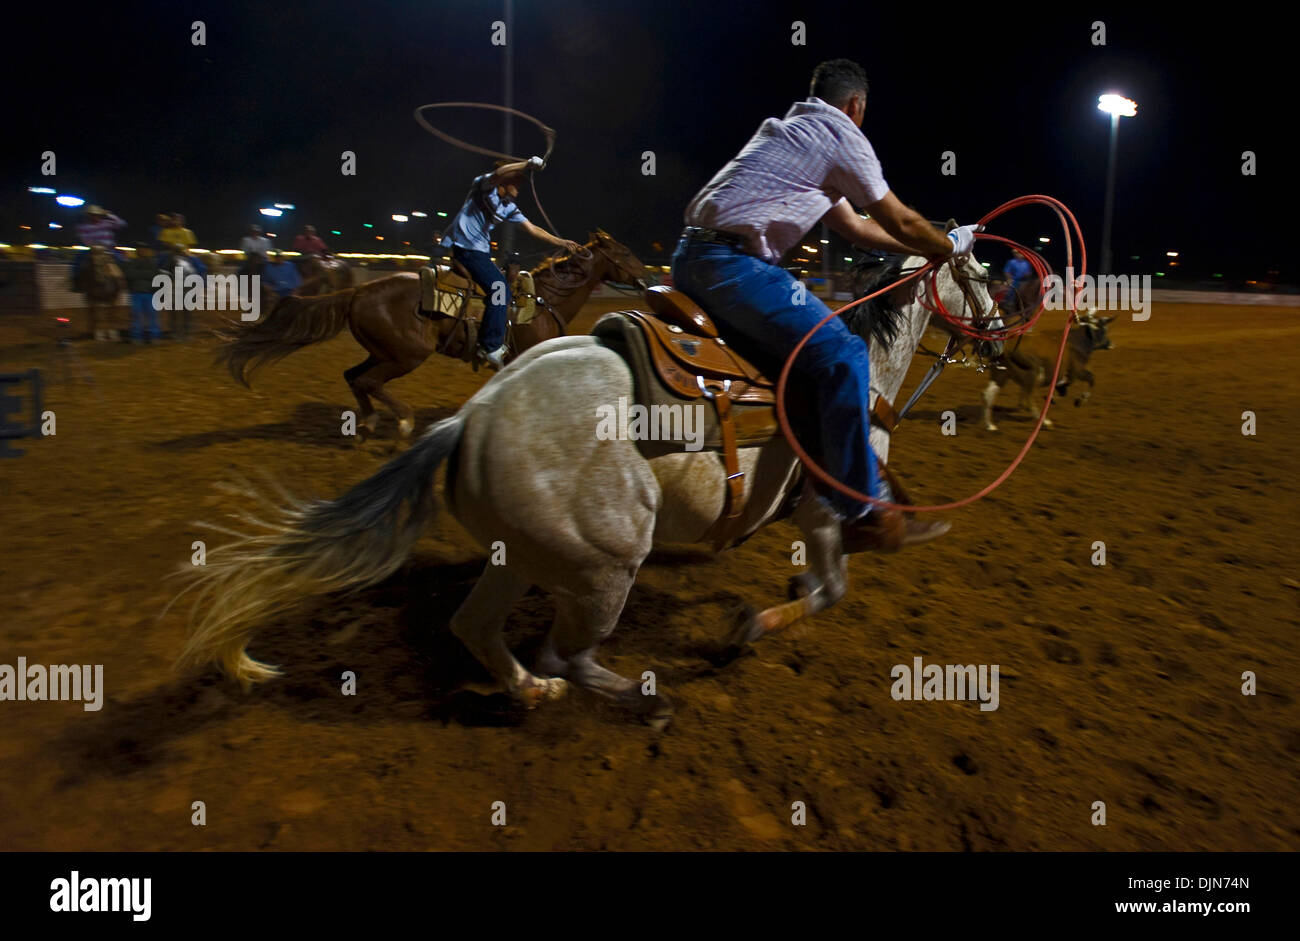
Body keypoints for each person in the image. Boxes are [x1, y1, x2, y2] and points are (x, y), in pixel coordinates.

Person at [671, 58, 981, 553]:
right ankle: (862, 509)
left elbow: (859, 228)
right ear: (856, 105)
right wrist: (948, 245)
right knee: (845, 353)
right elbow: (898, 219)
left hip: (689, 258)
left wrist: (932, 245)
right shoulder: (841, 135)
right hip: (732, 265)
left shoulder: (792, 136)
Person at [438, 157, 581, 369]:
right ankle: (490, 346)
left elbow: (532, 229)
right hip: (467, 251)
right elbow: (498, 173)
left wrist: (562, 242)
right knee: (500, 290)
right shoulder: (483, 186)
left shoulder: (508, 207)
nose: (520, 186)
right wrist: (527, 164)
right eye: (517, 181)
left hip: (480, 254)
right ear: (505, 181)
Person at [69, 205, 126, 288]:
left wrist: (110, 215)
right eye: (92, 215)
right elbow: (84, 238)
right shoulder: (84, 226)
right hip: (93, 249)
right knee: (78, 260)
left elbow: (122, 224)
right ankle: (76, 282)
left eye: (96, 215)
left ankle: (124, 282)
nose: (94, 217)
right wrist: (94, 244)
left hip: (108, 249)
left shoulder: (107, 223)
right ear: (88, 215)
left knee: (121, 260)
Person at [121, 243, 162, 343]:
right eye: (141, 249)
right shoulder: (144, 263)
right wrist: (146, 275)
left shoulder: (138, 263)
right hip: (139, 293)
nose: (143, 251)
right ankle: (139, 336)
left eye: (144, 249)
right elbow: (129, 274)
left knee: (151, 316)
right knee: (137, 315)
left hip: (147, 292)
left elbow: (155, 276)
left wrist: (139, 275)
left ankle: (150, 336)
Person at [166, 244, 206, 340]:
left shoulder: (179, 260)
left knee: (181, 312)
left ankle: (180, 332)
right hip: (180, 287)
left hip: (183, 288)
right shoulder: (183, 260)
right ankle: (181, 332)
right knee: (181, 312)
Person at [998, 249, 1034, 314]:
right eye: (1018, 254)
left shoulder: (1026, 263)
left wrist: (1028, 274)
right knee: (1013, 288)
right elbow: (1006, 271)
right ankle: (1009, 302)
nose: (1020, 255)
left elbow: (1029, 272)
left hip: (1025, 281)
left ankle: (1030, 303)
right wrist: (1009, 278)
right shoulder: (1011, 262)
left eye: (1021, 254)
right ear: (1015, 255)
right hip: (1015, 280)